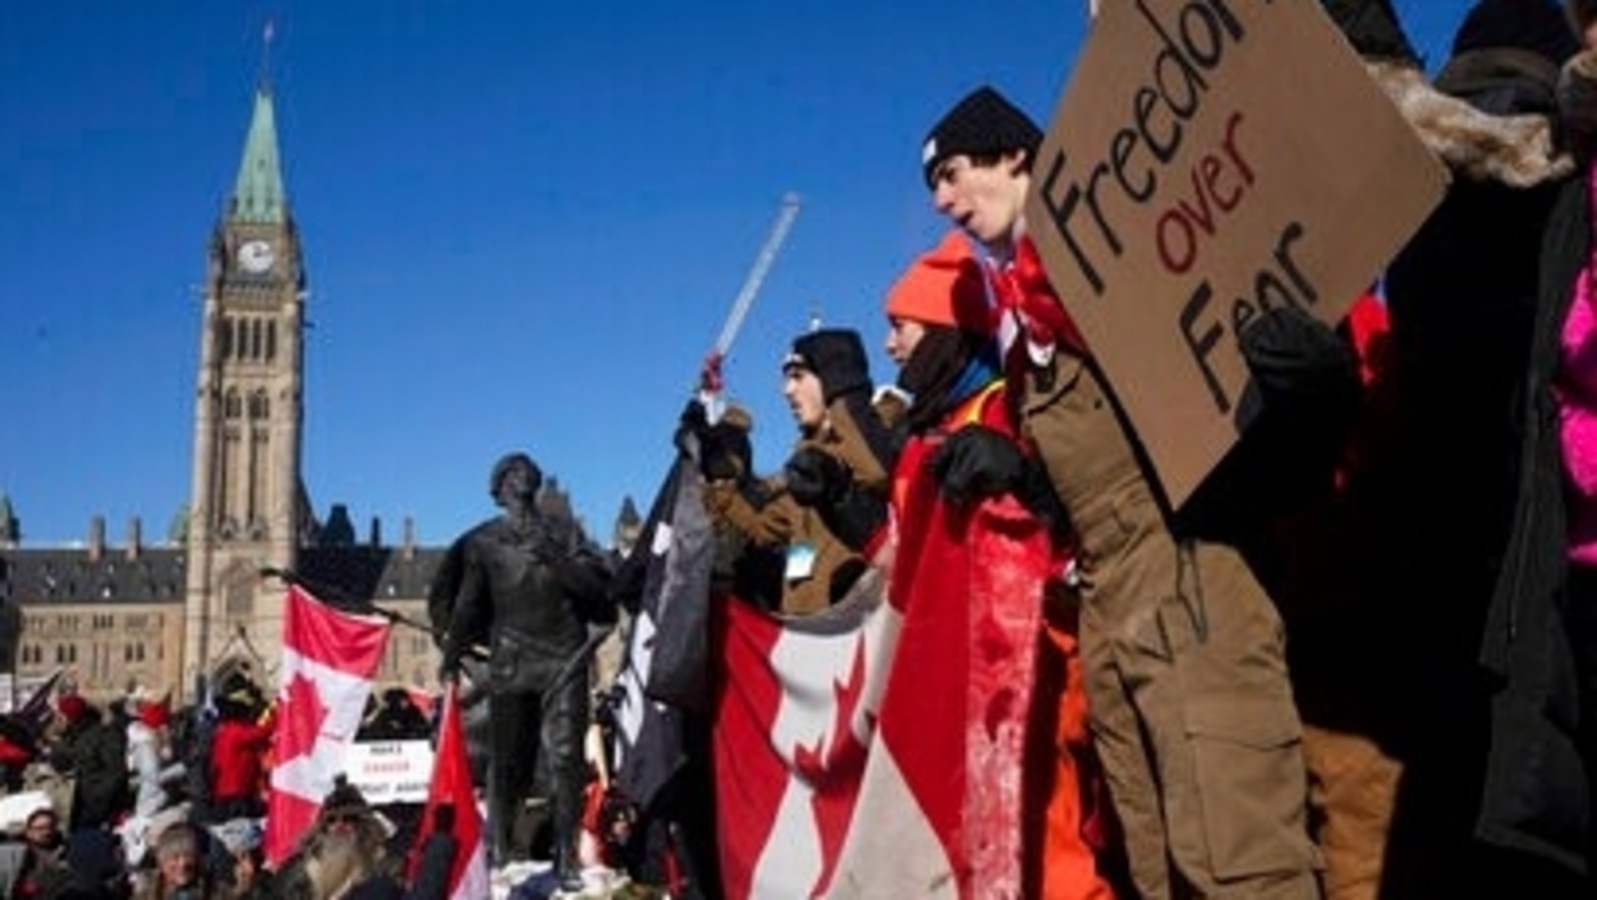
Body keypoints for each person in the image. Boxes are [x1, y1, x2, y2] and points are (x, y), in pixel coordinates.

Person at [917, 85, 1322, 899]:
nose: (942, 201)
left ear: (1014, 156)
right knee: (1155, 865)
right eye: (933, 186)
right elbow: (1081, 485)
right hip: (1108, 604)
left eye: (953, 173)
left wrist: (1303, 389)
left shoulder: (1121, 260)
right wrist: (1015, 472)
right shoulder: (1025, 335)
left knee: (1240, 861)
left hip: (1190, 577)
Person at [435, 452, 614, 890]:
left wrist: (556, 558)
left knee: (566, 761)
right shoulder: (483, 542)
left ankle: (567, 858)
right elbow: (468, 605)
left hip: (563, 658)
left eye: (526, 470)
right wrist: (451, 657)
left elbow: (597, 589)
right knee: (508, 761)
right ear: (499, 489)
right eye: (512, 472)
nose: (523, 474)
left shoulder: (565, 533)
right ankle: (499, 848)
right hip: (512, 659)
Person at [698, 327, 895, 617]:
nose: (786, 390)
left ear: (832, 379)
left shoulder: (880, 442)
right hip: (803, 626)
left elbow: (876, 473)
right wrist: (721, 480)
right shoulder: (803, 464)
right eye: (786, 379)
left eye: (798, 376)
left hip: (853, 626)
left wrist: (844, 399)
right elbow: (763, 528)